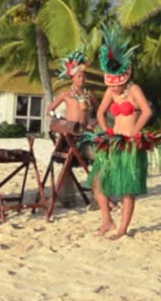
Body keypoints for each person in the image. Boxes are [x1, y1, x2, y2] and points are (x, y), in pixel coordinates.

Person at [86, 24, 161, 240]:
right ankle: (107, 220)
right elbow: (101, 113)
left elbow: (147, 111)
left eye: (117, 86)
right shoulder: (111, 91)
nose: (114, 90)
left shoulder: (134, 90)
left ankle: (123, 228)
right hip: (113, 141)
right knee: (98, 182)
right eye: (111, 86)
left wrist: (135, 132)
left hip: (130, 143)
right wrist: (107, 132)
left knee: (127, 187)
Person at [47, 47, 98, 206]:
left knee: (99, 159)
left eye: (84, 76)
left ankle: (98, 197)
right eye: (79, 76)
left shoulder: (89, 95)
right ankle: (67, 198)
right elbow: (49, 110)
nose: (82, 79)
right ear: (72, 78)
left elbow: (100, 111)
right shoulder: (66, 94)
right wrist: (61, 121)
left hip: (86, 134)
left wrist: (93, 124)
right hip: (69, 135)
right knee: (66, 164)